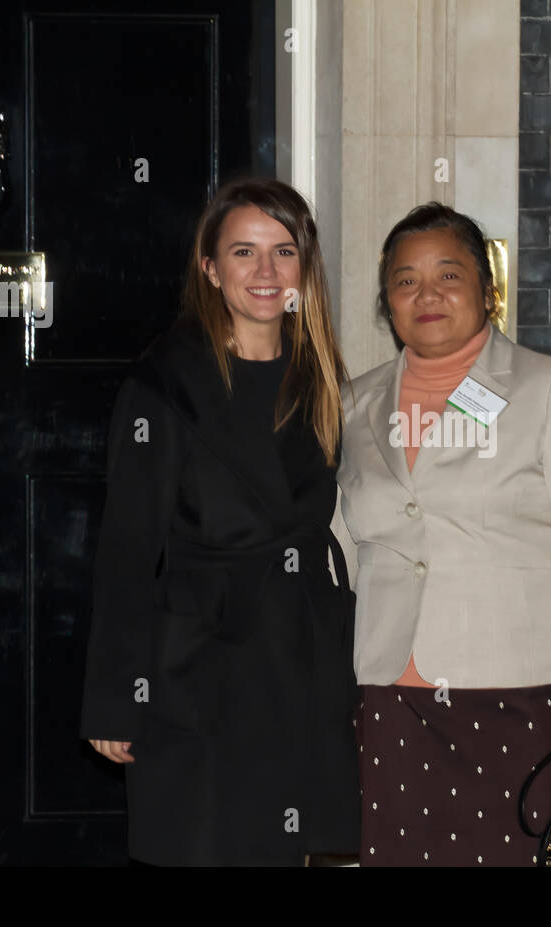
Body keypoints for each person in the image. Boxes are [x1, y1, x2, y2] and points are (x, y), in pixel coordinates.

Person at [331, 202, 551, 865]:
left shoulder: (548, 389)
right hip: (390, 700)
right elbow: (344, 548)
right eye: (406, 280)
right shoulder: (356, 404)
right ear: (387, 302)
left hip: (513, 698)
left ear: (487, 289)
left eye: (449, 274)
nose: (427, 294)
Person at [79, 177, 359, 865]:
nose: (265, 273)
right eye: (243, 252)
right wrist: (115, 697)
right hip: (195, 665)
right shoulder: (166, 381)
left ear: (305, 267)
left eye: (283, 251)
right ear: (210, 267)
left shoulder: (319, 376)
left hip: (298, 655)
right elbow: (126, 548)